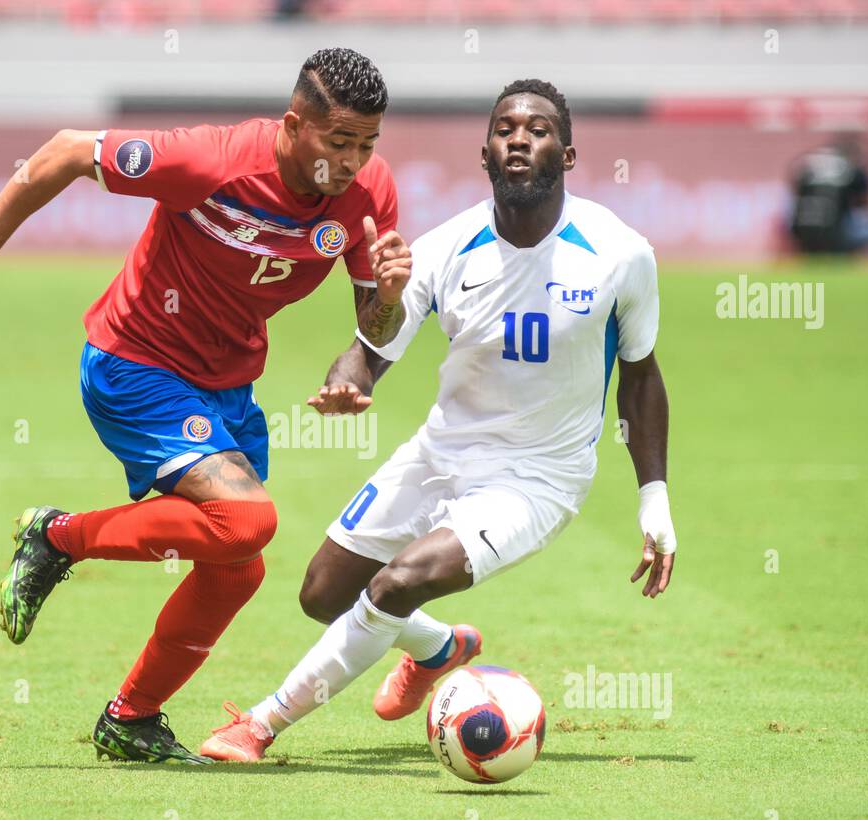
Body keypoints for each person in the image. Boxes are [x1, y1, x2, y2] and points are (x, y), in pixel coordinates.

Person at [0, 48, 411, 764]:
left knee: (238, 565)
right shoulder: (213, 162)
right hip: (135, 363)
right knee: (246, 520)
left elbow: (375, 325)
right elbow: (71, 150)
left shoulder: (368, 192)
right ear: (294, 124)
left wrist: (387, 298)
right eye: (338, 141)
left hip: (226, 386)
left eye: (367, 144)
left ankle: (131, 717)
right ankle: (58, 536)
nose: (353, 160)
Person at [200, 79, 677, 762]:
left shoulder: (620, 254)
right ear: (485, 153)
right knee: (322, 592)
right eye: (505, 128)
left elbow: (641, 375)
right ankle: (439, 647)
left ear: (567, 155)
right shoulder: (444, 248)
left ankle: (260, 723)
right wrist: (346, 383)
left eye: (538, 129)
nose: (519, 139)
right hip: (441, 452)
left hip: (539, 477)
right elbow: (370, 350)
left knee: (398, 582)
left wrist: (653, 497)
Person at [790, 135, 868, 254]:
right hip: (836, 233)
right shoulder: (851, 168)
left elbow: (794, 189)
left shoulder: (809, 163)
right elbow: (865, 201)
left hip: (801, 231)